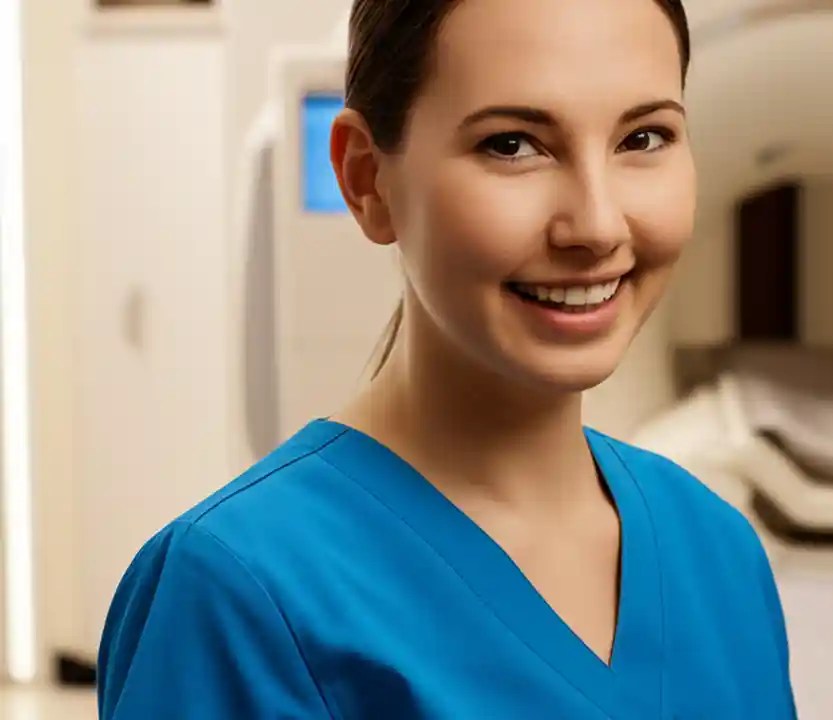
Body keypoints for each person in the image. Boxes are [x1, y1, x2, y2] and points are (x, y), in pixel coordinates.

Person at [97, 0, 797, 717]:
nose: (596, 224)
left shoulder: (717, 552)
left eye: (643, 137)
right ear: (367, 179)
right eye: (512, 145)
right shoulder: (235, 592)